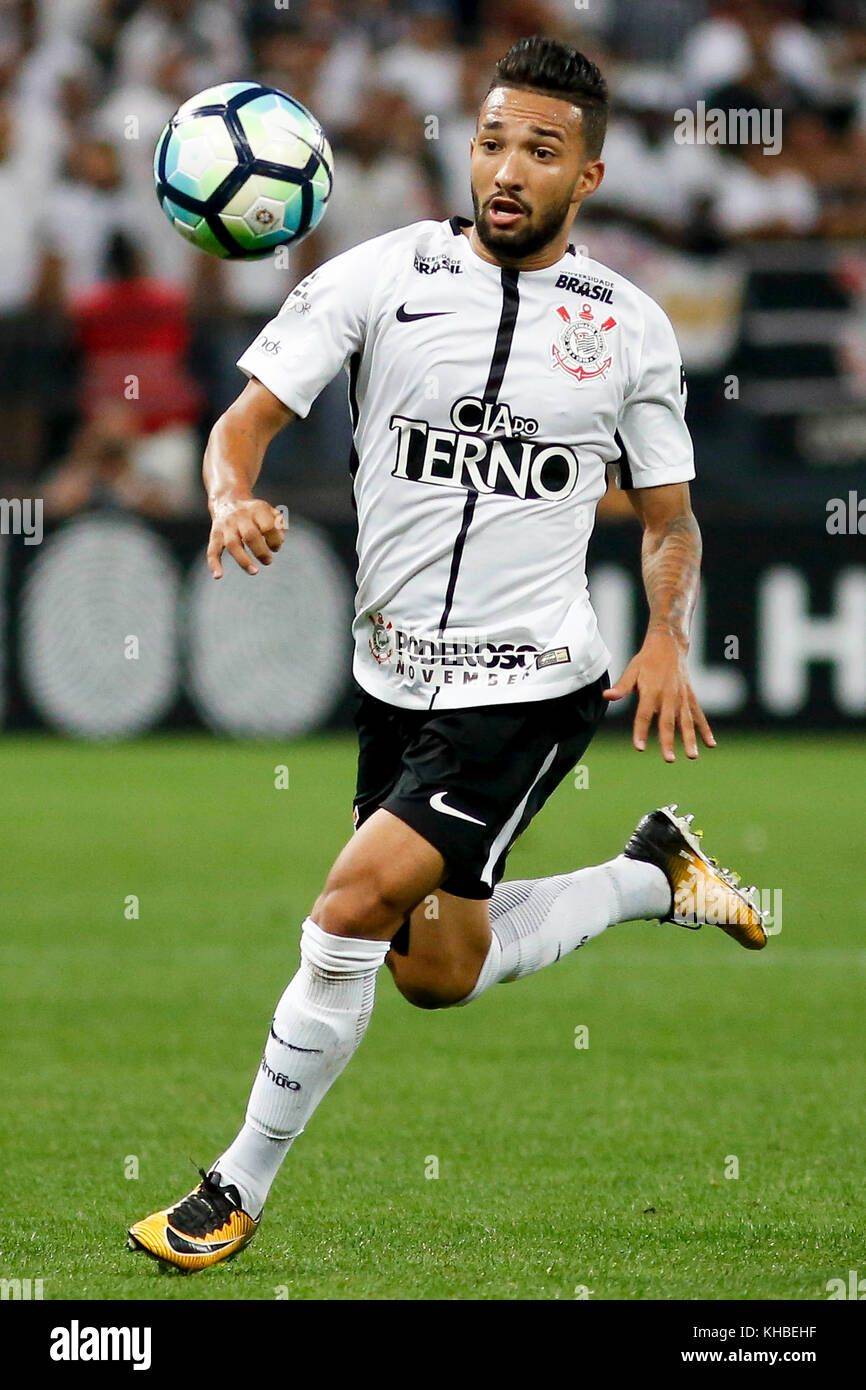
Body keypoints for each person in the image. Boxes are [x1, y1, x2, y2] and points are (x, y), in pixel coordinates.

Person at [128, 35, 767, 1273]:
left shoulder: (627, 329)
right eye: (490, 141)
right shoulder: (379, 276)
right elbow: (241, 425)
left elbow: (670, 516)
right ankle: (650, 872)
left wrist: (667, 640)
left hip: (526, 688)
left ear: (586, 176)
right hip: (392, 683)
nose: (506, 168)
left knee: (348, 908)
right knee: (434, 969)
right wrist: (224, 498)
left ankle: (232, 1186)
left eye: (539, 149)